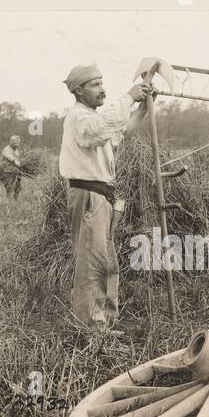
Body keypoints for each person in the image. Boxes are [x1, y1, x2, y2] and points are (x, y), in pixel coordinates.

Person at [59, 63, 152, 331]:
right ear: (78, 90)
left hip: (102, 197)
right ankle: (91, 328)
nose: (102, 89)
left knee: (107, 262)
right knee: (92, 264)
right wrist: (130, 97)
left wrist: (143, 107)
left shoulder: (93, 119)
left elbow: (119, 133)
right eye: (95, 84)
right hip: (88, 195)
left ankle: (106, 323)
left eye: (102, 82)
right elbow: (100, 129)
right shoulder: (79, 118)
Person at [0, 135, 24, 199]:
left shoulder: (16, 150)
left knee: (18, 187)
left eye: (18, 142)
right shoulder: (6, 149)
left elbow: (18, 159)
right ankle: (9, 204)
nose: (17, 144)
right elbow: (9, 157)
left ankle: (15, 202)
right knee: (9, 188)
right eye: (16, 142)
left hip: (16, 171)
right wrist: (15, 161)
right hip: (7, 172)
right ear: (11, 142)